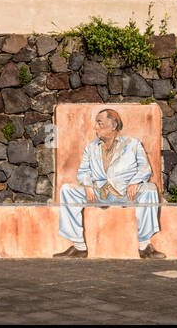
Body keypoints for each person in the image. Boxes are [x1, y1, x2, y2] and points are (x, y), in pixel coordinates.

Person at [54, 108, 165, 259]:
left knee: (150, 190)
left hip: (126, 192)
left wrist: (135, 182)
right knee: (67, 190)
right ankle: (79, 246)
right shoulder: (91, 148)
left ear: (113, 125)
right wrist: (87, 185)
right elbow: (83, 171)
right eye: (96, 123)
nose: (95, 127)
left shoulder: (133, 144)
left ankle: (145, 246)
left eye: (100, 123)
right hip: (100, 193)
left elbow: (145, 168)